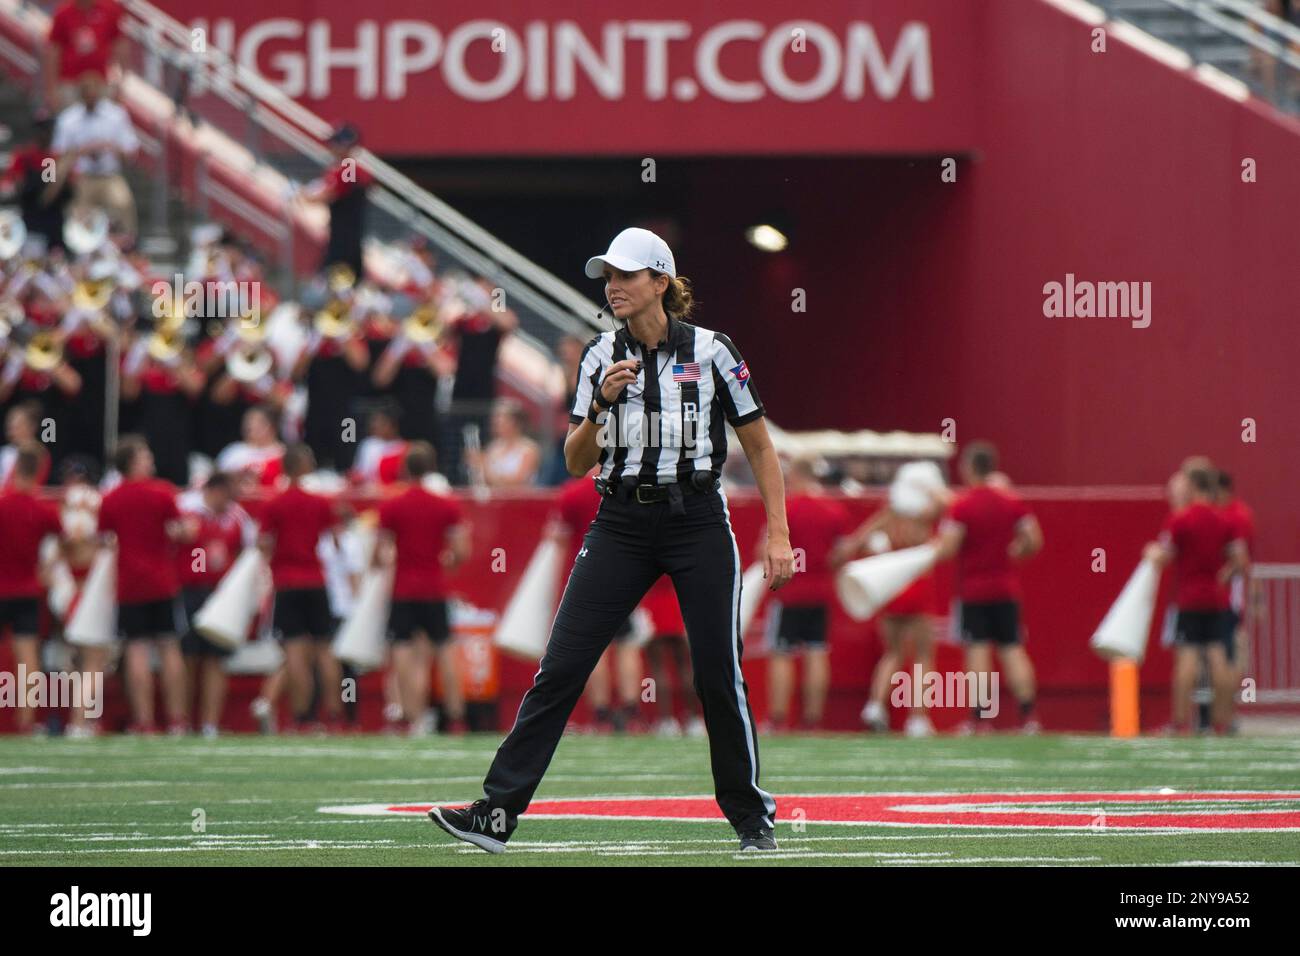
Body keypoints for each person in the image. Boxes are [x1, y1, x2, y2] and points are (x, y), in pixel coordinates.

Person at [428, 226, 793, 854]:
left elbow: (759, 443)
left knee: (716, 672)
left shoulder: (712, 351)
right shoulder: (599, 355)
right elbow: (573, 461)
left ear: (660, 282)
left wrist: (778, 533)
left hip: (698, 519)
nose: (612, 287)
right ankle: (497, 812)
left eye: (625, 276)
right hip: (620, 521)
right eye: (608, 277)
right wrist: (599, 406)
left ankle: (749, 815)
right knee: (561, 666)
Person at [934, 441, 1044, 734]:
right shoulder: (1011, 501)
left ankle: (980, 717)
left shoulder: (963, 505)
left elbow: (948, 548)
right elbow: (1034, 538)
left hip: (974, 589)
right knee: (1012, 649)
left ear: (969, 467)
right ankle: (1028, 715)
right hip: (1006, 588)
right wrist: (1017, 551)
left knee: (978, 650)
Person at [96, 435, 195, 733]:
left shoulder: (111, 498)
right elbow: (181, 531)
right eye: (145, 455)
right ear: (134, 462)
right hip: (162, 581)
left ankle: (144, 720)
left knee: (136, 650)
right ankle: (177, 719)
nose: (151, 459)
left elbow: (103, 539)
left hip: (129, 583)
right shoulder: (163, 493)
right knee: (169, 648)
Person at [1144, 465, 1249, 735]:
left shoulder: (1181, 519)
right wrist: (1222, 576)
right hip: (1215, 597)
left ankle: (1180, 722)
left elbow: (1164, 555)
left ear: (1193, 485)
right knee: (1218, 656)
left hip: (1189, 598)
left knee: (1187, 658)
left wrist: (1151, 552)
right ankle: (1221, 721)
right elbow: (1239, 560)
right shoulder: (1224, 519)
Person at [375, 441, 471, 733]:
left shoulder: (392, 505)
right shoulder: (447, 505)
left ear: (405, 468)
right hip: (434, 587)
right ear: (432, 467)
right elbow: (462, 551)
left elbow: (381, 552)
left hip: (403, 589)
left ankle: (409, 714)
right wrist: (447, 565)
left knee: (402, 651)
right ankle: (456, 717)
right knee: (444, 651)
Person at [258, 443, 349, 733]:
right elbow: (336, 541)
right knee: (325, 651)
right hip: (315, 580)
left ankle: (303, 718)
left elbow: (263, 544)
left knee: (295, 653)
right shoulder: (320, 502)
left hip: (287, 582)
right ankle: (335, 715)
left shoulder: (273, 503)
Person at [759, 456, 852, 733]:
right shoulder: (834, 510)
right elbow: (841, 554)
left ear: (794, 477)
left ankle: (777, 719)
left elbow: (763, 550)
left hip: (787, 591)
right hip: (820, 591)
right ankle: (812, 721)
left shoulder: (786, 509)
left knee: (781, 653)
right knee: (816, 652)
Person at [176, 472, 256, 738]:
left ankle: (210, 723)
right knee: (188, 657)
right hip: (190, 591)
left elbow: (249, 553)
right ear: (212, 490)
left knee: (215, 660)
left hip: (221, 595)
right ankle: (182, 720)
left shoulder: (237, 517)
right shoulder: (188, 509)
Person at [0, 446, 63, 733]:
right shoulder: (41, 509)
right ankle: (26, 721)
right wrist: (48, 567)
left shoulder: (3, 503)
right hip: (27, 589)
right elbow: (67, 540)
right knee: (28, 658)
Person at [444, 276, 519, 484]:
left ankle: (483, 483)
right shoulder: (464, 319)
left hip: (485, 390)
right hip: (460, 390)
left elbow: (510, 322)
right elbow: (443, 332)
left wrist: (483, 301)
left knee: (484, 440)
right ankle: (455, 482)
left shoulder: (493, 317)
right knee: (454, 444)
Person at [51, 69, 139, 239]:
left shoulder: (116, 114)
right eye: (86, 92)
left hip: (110, 175)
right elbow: (55, 157)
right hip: (83, 177)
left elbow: (131, 150)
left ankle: (127, 244)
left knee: (123, 203)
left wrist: (110, 147)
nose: (90, 96)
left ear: (100, 91)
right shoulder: (67, 119)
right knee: (78, 212)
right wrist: (81, 152)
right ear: (80, 95)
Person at [300, 123, 372, 280]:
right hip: (342, 234)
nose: (331, 147)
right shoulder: (342, 168)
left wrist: (306, 196)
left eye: (335, 143)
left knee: (335, 278)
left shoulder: (348, 167)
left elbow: (333, 193)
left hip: (346, 238)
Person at [1, 111, 73, 250]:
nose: (46, 133)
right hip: (32, 218)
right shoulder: (25, 156)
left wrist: (62, 170)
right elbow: (18, 185)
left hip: (54, 219)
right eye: (43, 129)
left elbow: (56, 192)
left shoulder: (55, 157)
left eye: (49, 129)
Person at [44, 0, 126, 109]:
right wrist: (51, 90)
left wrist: (120, 82)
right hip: (71, 82)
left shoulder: (109, 9)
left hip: (100, 82)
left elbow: (120, 46)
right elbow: (53, 51)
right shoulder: (64, 13)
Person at [467, 398, 540, 489]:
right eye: (495, 417)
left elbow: (518, 481)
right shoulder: (493, 447)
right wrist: (476, 464)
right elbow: (483, 481)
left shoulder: (529, 449)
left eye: (501, 417)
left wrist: (485, 467)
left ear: (515, 422)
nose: (496, 422)